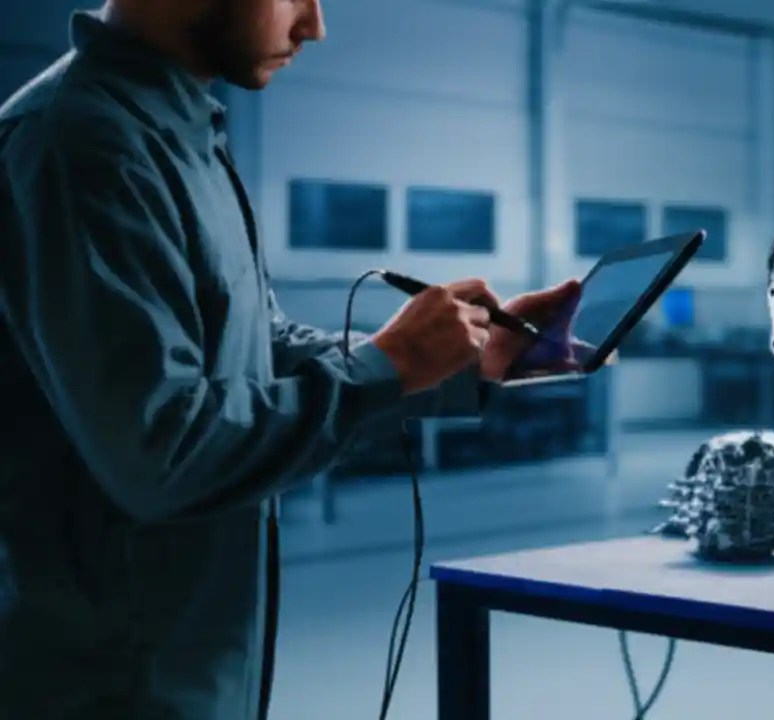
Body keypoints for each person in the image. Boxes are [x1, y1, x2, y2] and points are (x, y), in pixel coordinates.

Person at [0, 0, 580, 717]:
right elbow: (162, 450)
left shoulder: (183, 131)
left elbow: (259, 344)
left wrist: (462, 359)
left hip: (196, 666)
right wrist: (386, 365)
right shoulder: (80, 144)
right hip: (108, 688)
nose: (313, 25)